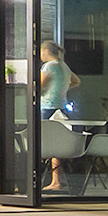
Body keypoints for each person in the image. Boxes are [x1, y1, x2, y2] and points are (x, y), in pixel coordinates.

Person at [37, 42, 77, 189]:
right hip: (61, 107)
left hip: (47, 106)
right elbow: (76, 81)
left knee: (42, 141)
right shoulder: (64, 66)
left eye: (41, 52)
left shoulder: (48, 66)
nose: (40, 56)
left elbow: (39, 86)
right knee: (57, 144)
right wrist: (61, 88)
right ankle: (56, 180)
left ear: (46, 51)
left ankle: (40, 178)